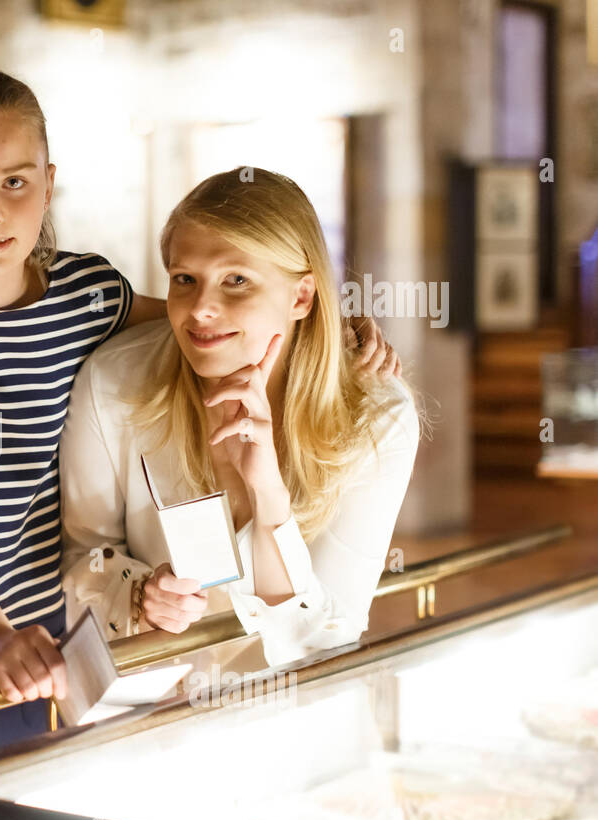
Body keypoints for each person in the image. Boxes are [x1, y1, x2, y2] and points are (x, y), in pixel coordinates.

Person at [0, 65, 399, 816]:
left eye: (15, 182)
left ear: (49, 184)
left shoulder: (88, 294)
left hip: (31, 638)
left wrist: (334, 333)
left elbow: (202, 316)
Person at [61, 167, 421, 677]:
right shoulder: (113, 382)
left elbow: (324, 642)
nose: (201, 309)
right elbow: (82, 556)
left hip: (290, 721)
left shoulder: (378, 417)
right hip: (145, 715)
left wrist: (267, 494)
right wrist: (137, 595)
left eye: (236, 280)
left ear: (300, 297)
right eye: (185, 279)